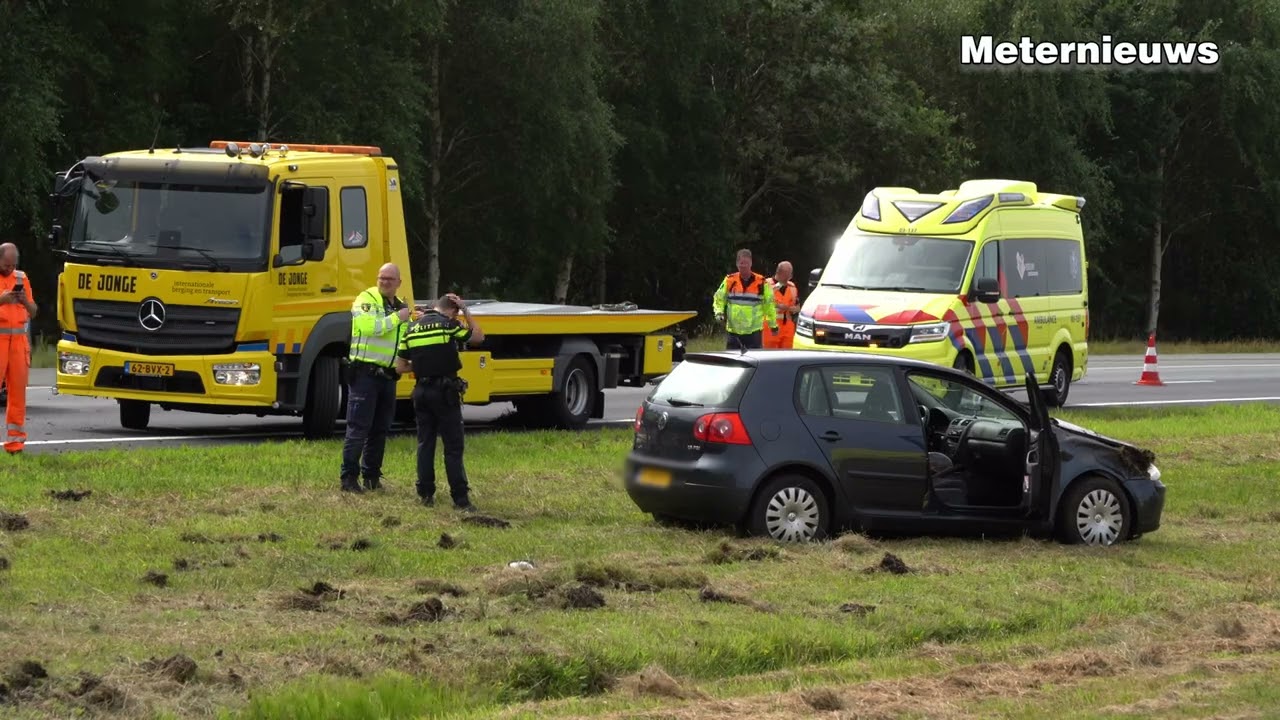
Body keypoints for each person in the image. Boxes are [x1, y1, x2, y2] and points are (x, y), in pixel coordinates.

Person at [395, 293, 484, 511]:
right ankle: (460, 499)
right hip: (444, 392)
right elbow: (478, 337)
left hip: (421, 392)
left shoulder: (412, 329)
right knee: (453, 446)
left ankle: (426, 494)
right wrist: (467, 311)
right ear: (453, 311)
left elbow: (400, 367)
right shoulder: (448, 324)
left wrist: (424, 365)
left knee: (425, 444)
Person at [340, 263, 411, 493]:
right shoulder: (366, 299)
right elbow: (369, 328)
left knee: (380, 429)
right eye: (381, 277)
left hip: (387, 377)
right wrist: (398, 318)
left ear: (399, 283)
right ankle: (349, 479)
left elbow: (403, 340)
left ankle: (372, 477)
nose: (384, 282)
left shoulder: (399, 306)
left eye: (389, 278)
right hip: (365, 374)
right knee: (358, 429)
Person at [0, 243, 37, 455]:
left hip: (18, 344)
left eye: (13, 265)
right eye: (6, 265)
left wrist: (25, 301)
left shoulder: (21, 278)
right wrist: (2, 300)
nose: (10, 269)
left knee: (17, 395)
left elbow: (34, 311)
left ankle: (15, 444)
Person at [712, 248, 778, 350]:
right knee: (732, 359)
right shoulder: (730, 280)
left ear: (751, 263)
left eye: (746, 263)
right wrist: (719, 312)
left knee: (753, 359)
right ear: (737, 264)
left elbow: (769, 305)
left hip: (754, 332)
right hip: (733, 332)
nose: (743, 266)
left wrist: (773, 325)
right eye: (741, 263)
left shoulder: (761, 282)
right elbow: (719, 298)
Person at [763, 261, 800, 349]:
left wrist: (789, 308)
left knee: (786, 355)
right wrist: (778, 305)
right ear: (779, 272)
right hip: (770, 327)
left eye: (790, 275)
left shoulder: (792, 287)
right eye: (787, 274)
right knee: (770, 355)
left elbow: (797, 307)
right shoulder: (766, 284)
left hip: (787, 328)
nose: (789, 277)